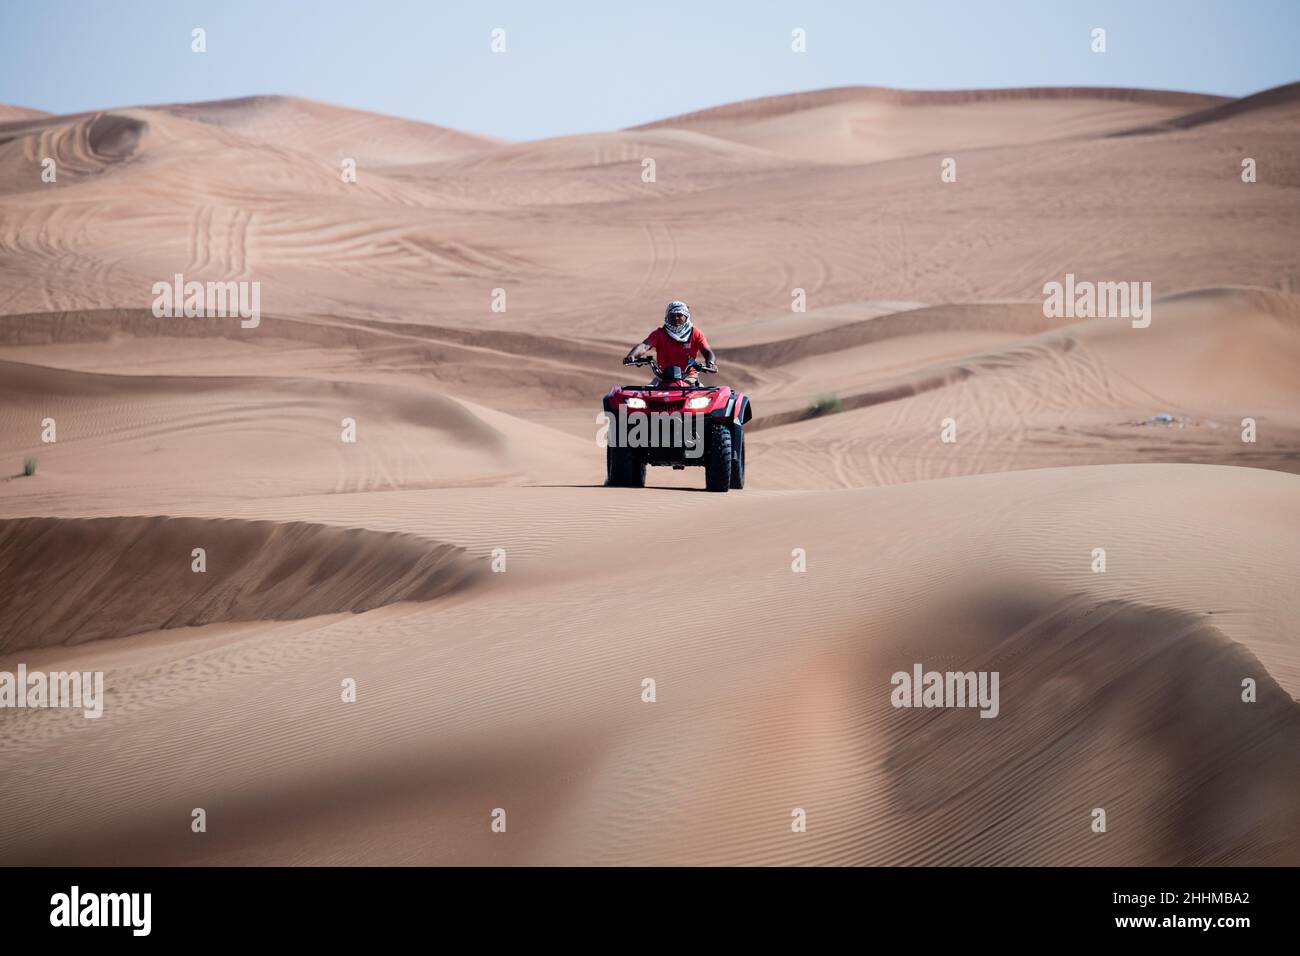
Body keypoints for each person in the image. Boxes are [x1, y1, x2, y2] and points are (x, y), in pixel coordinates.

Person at [623, 300, 717, 384]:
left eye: (679, 315)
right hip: (662, 378)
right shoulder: (659, 333)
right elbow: (644, 346)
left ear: (686, 316)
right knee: (644, 396)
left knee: (704, 397)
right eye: (672, 315)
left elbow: (707, 351)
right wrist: (632, 355)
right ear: (667, 317)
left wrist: (711, 363)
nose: (676, 318)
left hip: (690, 377)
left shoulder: (695, 333)